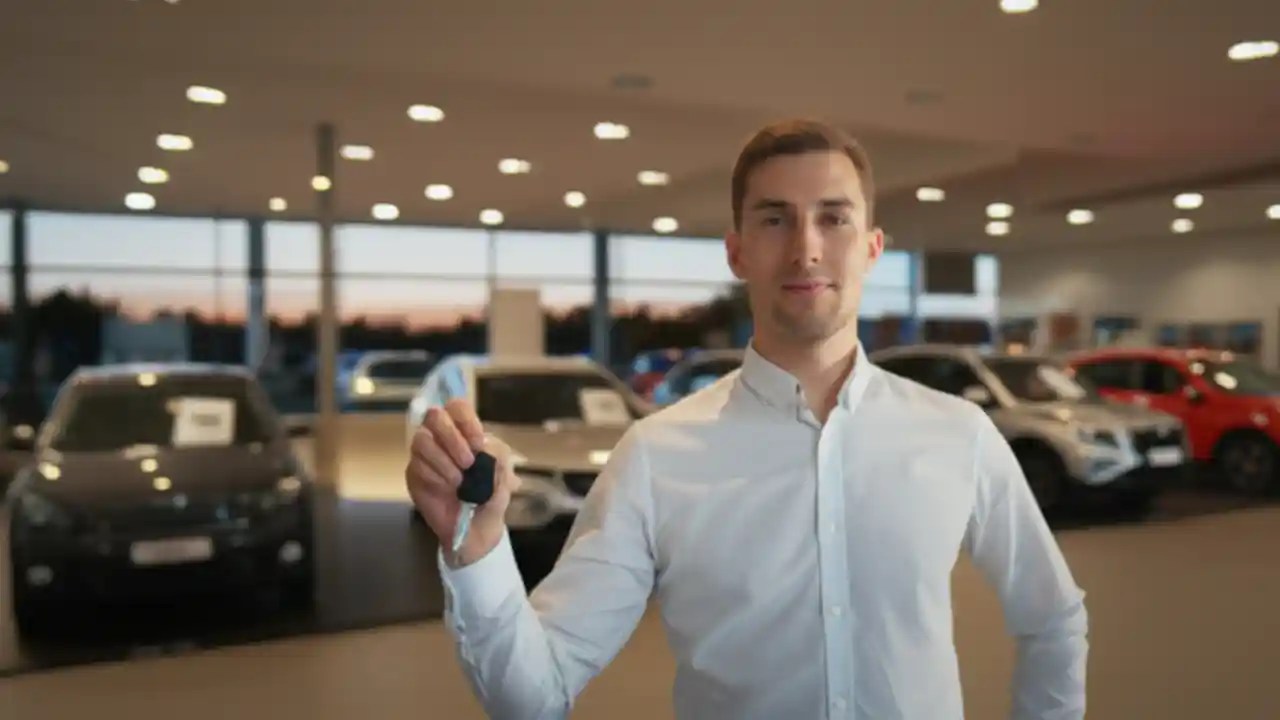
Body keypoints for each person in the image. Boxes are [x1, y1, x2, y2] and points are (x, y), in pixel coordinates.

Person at [405, 119, 1089, 719]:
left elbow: (1053, 616)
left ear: (872, 247)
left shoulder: (959, 433)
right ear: (736, 252)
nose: (806, 248)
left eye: (833, 218)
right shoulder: (656, 456)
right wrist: (476, 550)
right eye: (774, 219)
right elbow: (534, 696)